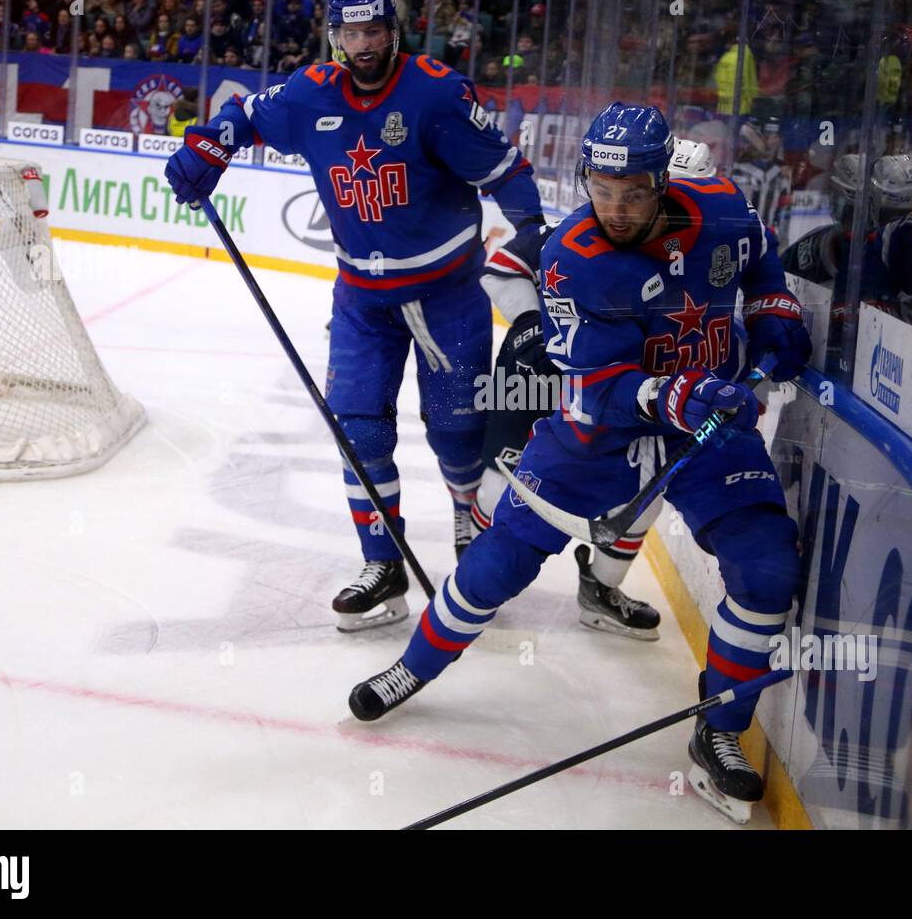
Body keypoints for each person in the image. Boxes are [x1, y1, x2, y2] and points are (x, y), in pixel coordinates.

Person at [347, 103, 812, 825]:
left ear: (662, 182)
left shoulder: (721, 208)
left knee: (768, 569)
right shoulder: (574, 257)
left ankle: (718, 727)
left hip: (710, 429)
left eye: (631, 192)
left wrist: (777, 312)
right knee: (499, 560)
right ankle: (418, 664)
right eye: (600, 189)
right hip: (600, 433)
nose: (614, 208)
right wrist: (681, 392)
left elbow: (763, 257)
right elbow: (597, 387)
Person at [165, 0, 543, 632]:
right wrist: (210, 145)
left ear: (394, 29)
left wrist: (535, 242)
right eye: (351, 31)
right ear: (334, 34)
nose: (363, 44)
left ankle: (465, 516)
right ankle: (384, 565)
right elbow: (247, 116)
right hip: (363, 301)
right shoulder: (312, 94)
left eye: (374, 30)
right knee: (358, 429)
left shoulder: (436, 95)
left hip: (445, 294)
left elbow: (506, 172)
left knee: (457, 434)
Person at [471, 138, 718, 642]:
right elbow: (501, 270)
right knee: (507, 483)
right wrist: (539, 330)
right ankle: (475, 576)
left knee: (646, 496)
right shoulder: (582, 235)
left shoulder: (698, 247)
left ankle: (600, 589)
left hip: (623, 394)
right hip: (541, 378)